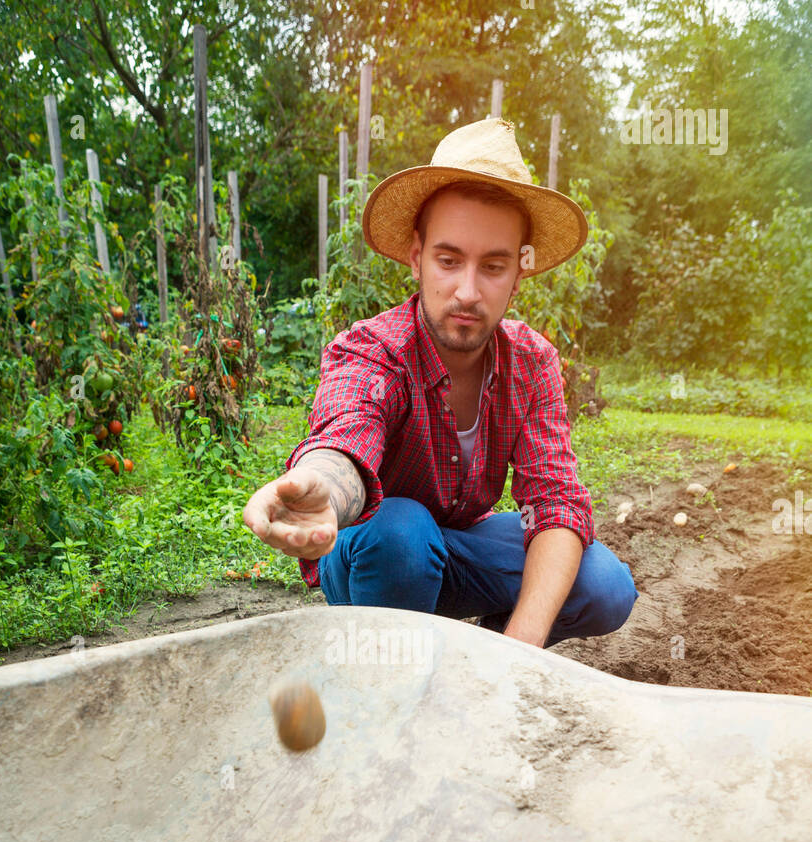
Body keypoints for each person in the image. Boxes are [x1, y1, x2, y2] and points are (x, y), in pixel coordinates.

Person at [243, 117, 638, 647]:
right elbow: (346, 433)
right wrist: (326, 488)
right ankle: (395, 676)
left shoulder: (532, 361)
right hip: (377, 552)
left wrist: (518, 651)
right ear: (416, 258)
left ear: (518, 274)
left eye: (493, 266)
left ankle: (484, 655)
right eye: (448, 260)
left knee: (604, 584)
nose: (468, 292)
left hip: (459, 546)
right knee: (402, 536)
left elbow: (556, 500)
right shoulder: (374, 348)